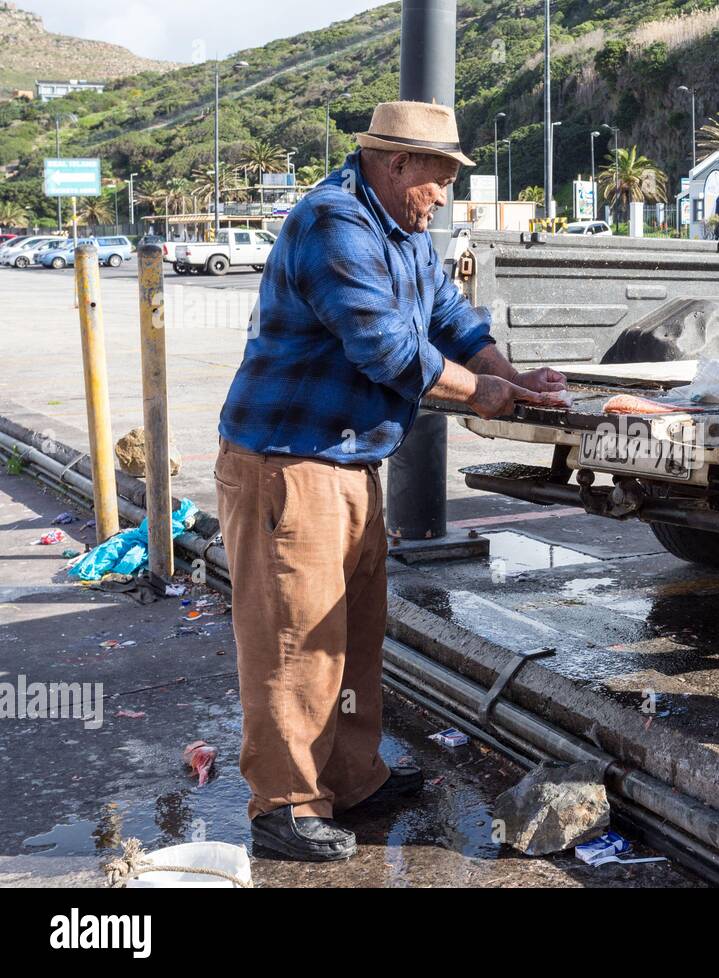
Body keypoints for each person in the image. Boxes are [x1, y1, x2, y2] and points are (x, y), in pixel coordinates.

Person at [215, 100, 567, 860]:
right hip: (288, 464)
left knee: (351, 639)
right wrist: (483, 396)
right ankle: (285, 805)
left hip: (345, 462)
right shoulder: (334, 223)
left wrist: (513, 378)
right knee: (294, 643)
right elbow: (383, 348)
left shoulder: (402, 231)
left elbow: (452, 319)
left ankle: (353, 777)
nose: (442, 197)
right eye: (436, 179)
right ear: (396, 163)